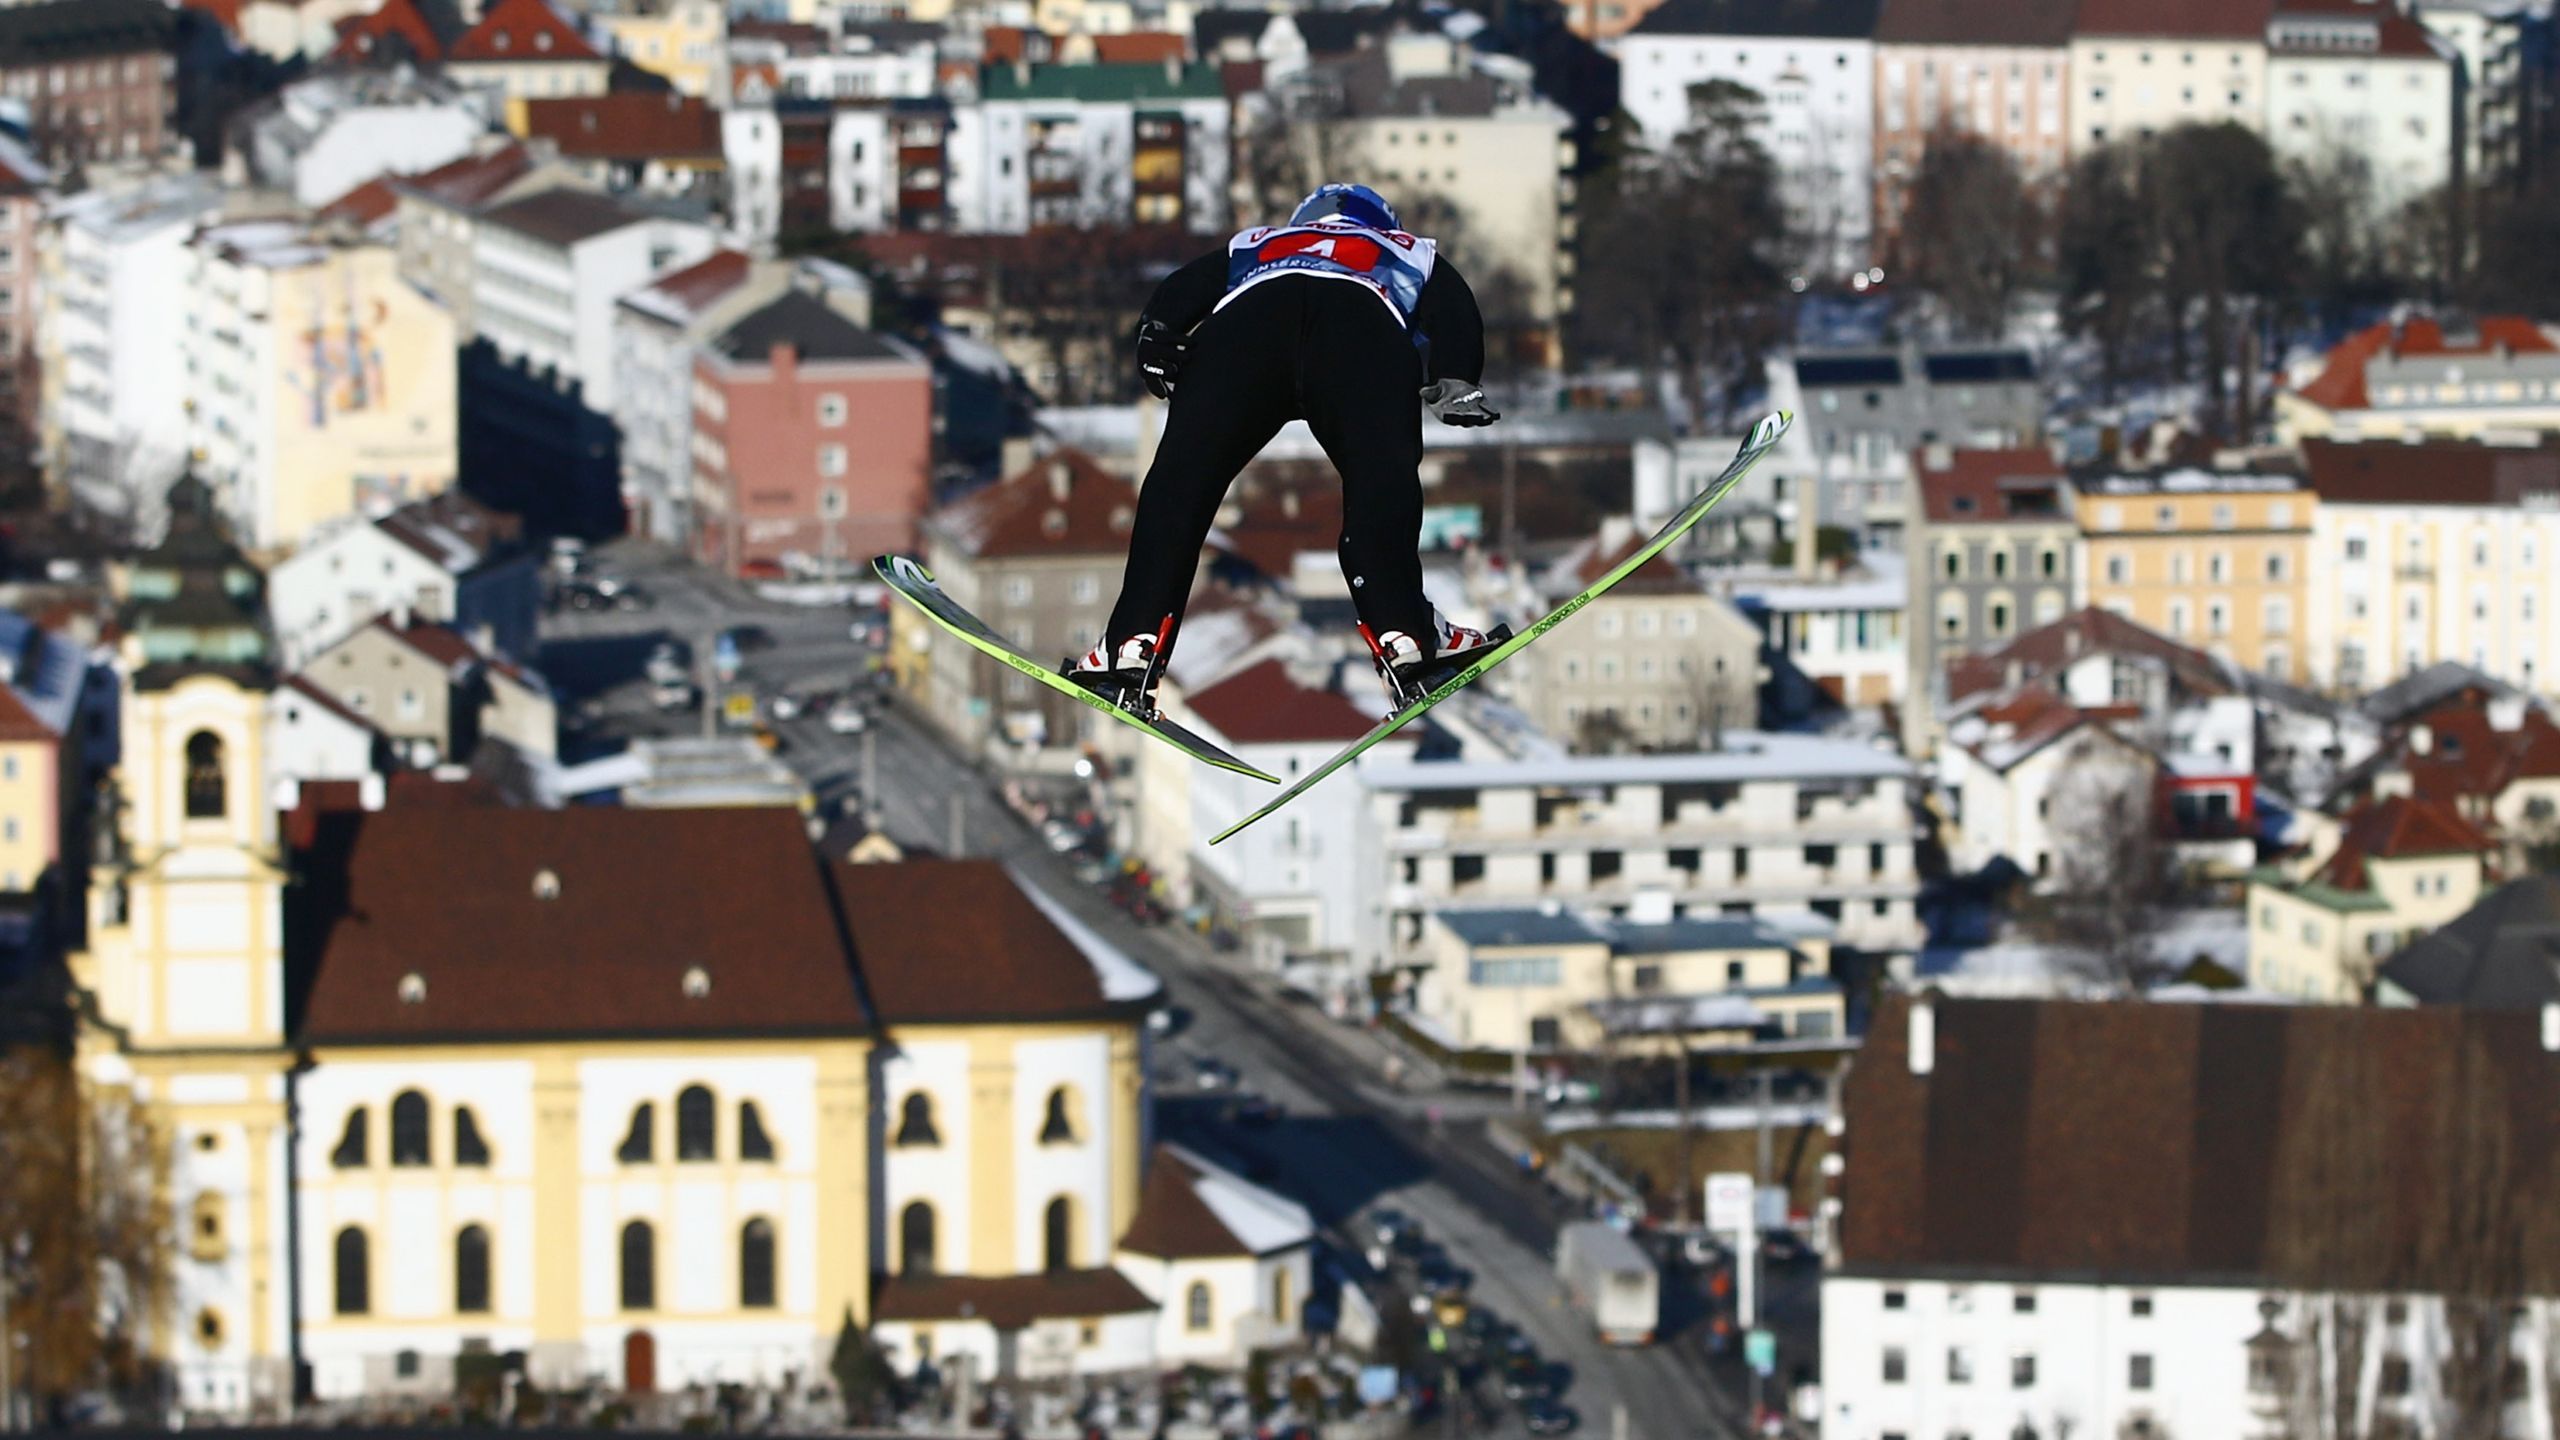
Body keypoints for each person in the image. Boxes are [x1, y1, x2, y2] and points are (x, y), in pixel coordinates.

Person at [1067, 182, 1508, 710]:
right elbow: (1454, 307)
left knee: (1178, 490)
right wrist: (1458, 376)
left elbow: (1185, 285)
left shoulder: (1258, 241)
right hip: (1360, 332)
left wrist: (1154, 335)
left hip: (1247, 332)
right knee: (1379, 488)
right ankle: (1406, 638)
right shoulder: (1408, 248)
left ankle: (1131, 650)